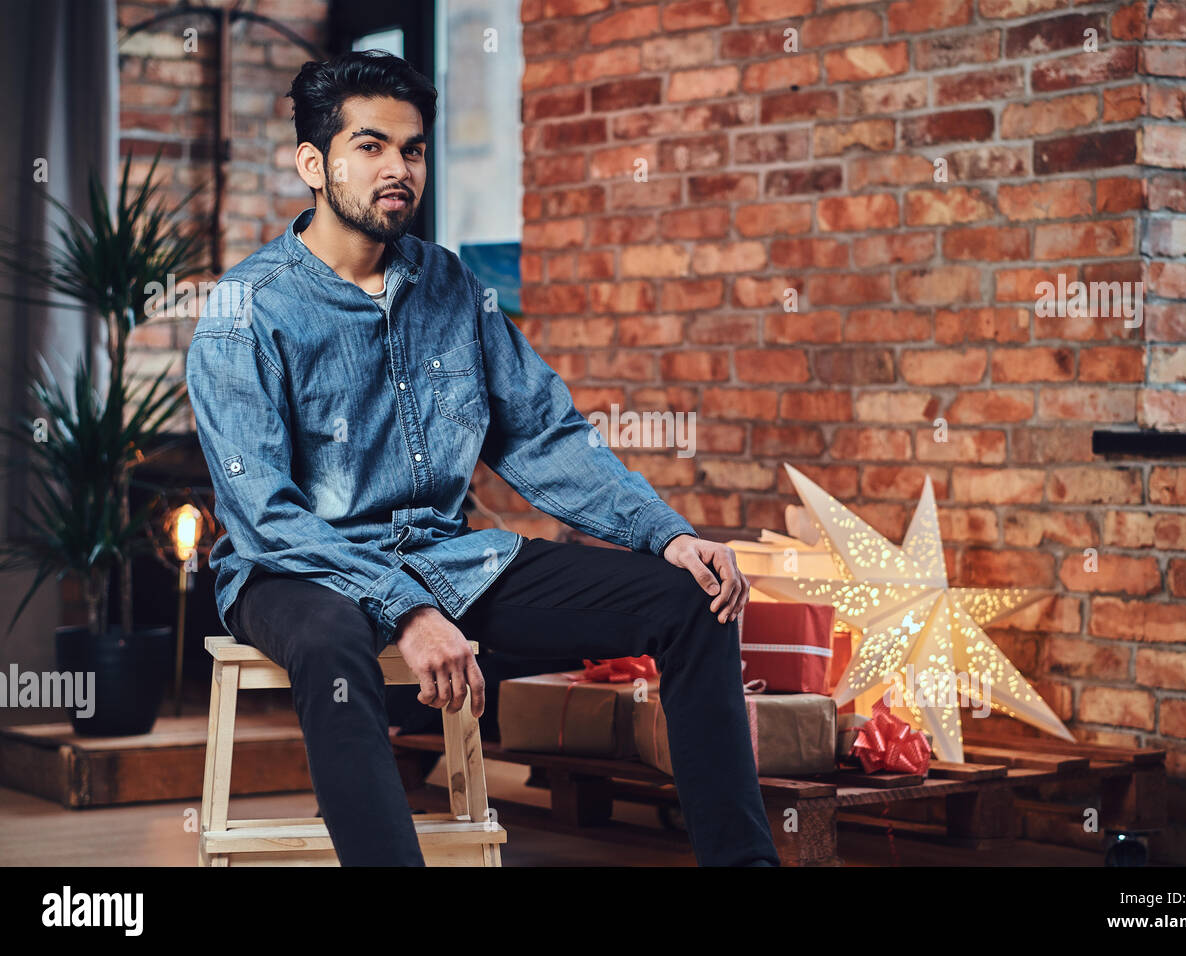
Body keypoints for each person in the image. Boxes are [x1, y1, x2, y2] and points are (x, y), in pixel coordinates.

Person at [185, 50, 780, 867]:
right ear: (313, 164)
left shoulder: (454, 288)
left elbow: (545, 435)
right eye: (371, 147)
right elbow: (265, 515)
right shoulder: (242, 311)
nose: (400, 169)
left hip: (445, 554)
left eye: (414, 149)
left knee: (691, 598)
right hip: (293, 569)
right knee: (331, 644)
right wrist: (407, 609)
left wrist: (666, 535)